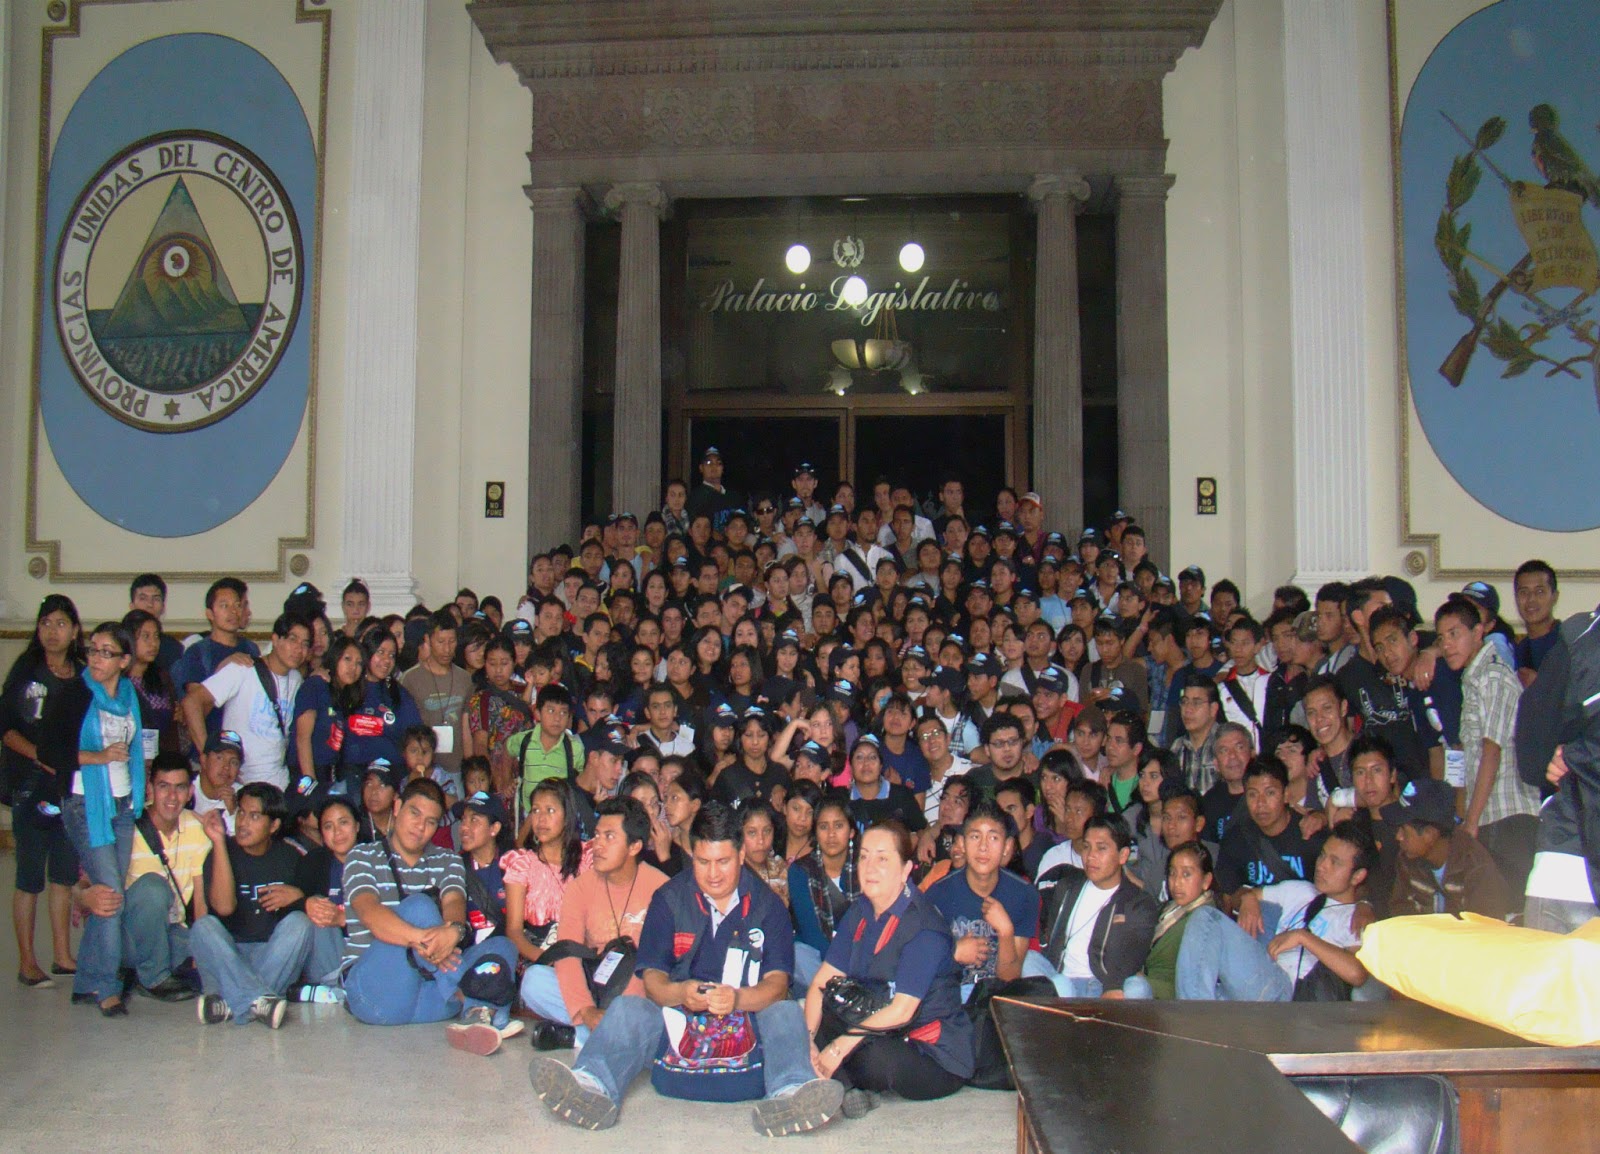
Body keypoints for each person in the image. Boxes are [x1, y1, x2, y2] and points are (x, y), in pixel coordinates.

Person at [529, 803, 844, 1136]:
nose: (713, 874)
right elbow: (652, 979)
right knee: (629, 1007)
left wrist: (736, 999)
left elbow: (777, 983)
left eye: (723, 861)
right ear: (691, 855)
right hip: (677, 1037)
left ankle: (789, 1094)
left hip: (748, 1037)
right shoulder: (668, 900)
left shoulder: (768, 907)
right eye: (702, 862)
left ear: (740, 856)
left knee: (784, 1011)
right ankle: (590, 1085)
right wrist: (680, 993)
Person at [340, 779, 523, 1054]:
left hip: (431, 999)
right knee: (419, 907)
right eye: (414, 813)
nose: (420, 827)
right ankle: (483, 1006)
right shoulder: (362, 856)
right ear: (398, 807)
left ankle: (476, 1019)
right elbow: (370, 913)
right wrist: (423, 940)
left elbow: (454, 901)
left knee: (504, 946)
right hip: (376, 995)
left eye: (431, 821)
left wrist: (454, 932)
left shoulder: (447, 860)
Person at [804, 821, 974, 1116]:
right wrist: (807, 1040)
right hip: (875, 1024)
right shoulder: (860, 911)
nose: (869, 868)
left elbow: (902, 1012)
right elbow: (822, 982)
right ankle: (845, 1090)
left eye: (882, 859)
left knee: (874, 1057)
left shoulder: (923, 927)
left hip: (929, 1051)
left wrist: (839, 1047)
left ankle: (843, 1085)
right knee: (817, 1016)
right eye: (864, 857)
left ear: (906, 869)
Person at [40, 620, 145, 1016]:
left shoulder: (130, 696)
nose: (96, 659)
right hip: (86, 803)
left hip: (121, 804)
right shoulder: (74, 694)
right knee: (110, 895)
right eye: (93, 650)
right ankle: (106, 987)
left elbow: (135, 749)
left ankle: (86, 980)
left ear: (123, 660)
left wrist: (140, 786)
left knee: (107, 893)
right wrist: (97, 758)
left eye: (106, 652)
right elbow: (49, 751)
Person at [521, 796, 669, 1050]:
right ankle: (600, 1034)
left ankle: (577, 1037)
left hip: (637, 992)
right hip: (595, 983)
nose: (597, 845)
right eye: (597, 835)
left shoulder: (663, 889)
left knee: (653, 1005)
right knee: (533, 981)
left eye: (609, 837)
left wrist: (618, 1010)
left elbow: (656, 966)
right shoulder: (580, 887)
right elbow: (567, 954)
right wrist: (586, 1009)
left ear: (634, 846)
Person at [1, 594, 83, 987]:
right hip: (30, 783)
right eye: (45, 623)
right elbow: (6, 727)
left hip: (68, 785)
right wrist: (39, 755)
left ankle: (63, 955)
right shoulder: (26, 672)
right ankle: (27, 961)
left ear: (75, 631)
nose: (52, 631)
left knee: (64, 874)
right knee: (29, 875)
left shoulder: (83, 674)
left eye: (61, 623)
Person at [1436, 596, 1541, 897]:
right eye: (1441, 638)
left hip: (1507, 817)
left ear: (1478, 631)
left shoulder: (1492, 675)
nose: (1446, 645)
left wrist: (1471, 822)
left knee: (1508, 913)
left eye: (1454, 634)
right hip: (1489, 816)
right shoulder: (1473, 679)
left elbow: (1491, 752)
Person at [191, 783, 314, 1028]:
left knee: (301, 924)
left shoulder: (292, 856)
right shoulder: (220, 851)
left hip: (271, 958)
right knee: (203, 927)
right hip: (228, 955)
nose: (243, 822)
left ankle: (232, 1003)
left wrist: (298, 896)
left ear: (274, 825)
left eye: (254, 816)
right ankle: (258, 1001)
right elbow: (223, 908)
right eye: (242, 813)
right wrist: (218, 842)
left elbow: (314, 906)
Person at [1029, 813, 1157, 998]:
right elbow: (1052, 938)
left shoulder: (1137, 902)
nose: (1090, 856)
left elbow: (1134, 953)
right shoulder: (1067, 886)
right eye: (1087, 847)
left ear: (1123, 855)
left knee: (1138, 987)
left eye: (1101, 848)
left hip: (1104, 984)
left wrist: (1113, 985)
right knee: (1030, 960)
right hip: (1062, 979)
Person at [182, 613, 311, 790]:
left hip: (279, 785)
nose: (299, 649)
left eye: (305, 644)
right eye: (293, 640)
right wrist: (208, 756)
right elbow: (192, 702)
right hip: (240, 785)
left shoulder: (296, 679)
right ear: (275, 639)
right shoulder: (243, 669)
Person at [926, 800, 1039, 998]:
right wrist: (955, 952)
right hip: (952, 995)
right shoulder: (938, 894)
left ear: (1007, 846)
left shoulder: (1025, 895)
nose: (983, 847)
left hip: (998, 996)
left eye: (994, 838)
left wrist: (1005, 931)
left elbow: (1010, 978)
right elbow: (921, 964)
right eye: (975, 836)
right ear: (961, 843)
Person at [119, 753, 209, 1001]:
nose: (172, 797)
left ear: (190, 792)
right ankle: (154, 978)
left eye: (180, 788)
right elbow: (85, 885)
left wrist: (204, 952)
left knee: (220, 948)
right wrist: (84, 895)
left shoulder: (197, 828)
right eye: (163, 787)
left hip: (171, 932)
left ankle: (144, 968)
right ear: (149, 789)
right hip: (127, 934)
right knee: (153, 887)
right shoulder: (128, 828)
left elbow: (200, 902)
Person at [1216, 758, 1326, 936]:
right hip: (1256, 928)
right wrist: (1246, 897)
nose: (1260, 803)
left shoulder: (1309, 833)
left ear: (1286, 794)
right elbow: (1229, 895)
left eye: (1270, 793)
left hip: (1304, 928)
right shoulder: (1236, 838)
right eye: (1252, 794)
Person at [1386, 778, 1513, 919]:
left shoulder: (1477, 866)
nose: (1398, 837)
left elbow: (1486, 930)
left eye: (1403, 830)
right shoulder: (1407, 859)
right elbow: (1400, 911)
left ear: (1429, 834)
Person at [504, 778, 590, 973]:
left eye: (550, 810)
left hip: (581, 952)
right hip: (537, 956)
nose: (541, 819)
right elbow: (514, 931)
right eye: (535, 810)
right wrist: (547, 960)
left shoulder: (587, 859)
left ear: (567, 816)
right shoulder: (522, 863)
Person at [293, 794, 362, 997]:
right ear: (322, 834)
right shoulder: (313, 863)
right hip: (328, 956)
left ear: (357, 826)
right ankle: (337, 987)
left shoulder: (377, 859)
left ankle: (332, 991)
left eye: (343, 823)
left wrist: (344, 919)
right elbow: (292, 909)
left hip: (367, 952)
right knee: (317, 911)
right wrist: (305, 903)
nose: (337, 832)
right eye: (328, 827)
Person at [788, 795, 859, 988]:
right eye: (823, 827)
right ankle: (836, 999)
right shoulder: (799, 872)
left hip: (860, 957)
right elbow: (812, 934)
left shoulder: (866, 866)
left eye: (838, 826)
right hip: (818, 959)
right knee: (798, 953)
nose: (831, 835)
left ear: (851, 831)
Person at [401, 609, 473, 781]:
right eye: (441, 642)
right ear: (427, 640)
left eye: (452, 641)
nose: (447, 649)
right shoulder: (410, 679)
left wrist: (470, 767)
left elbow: (467, 727)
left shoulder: (465, 678)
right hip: (423, 769)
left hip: (456, 768)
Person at [292, 635, 364, 788]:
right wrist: (309, 783)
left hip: (330, 774)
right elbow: (302, 738)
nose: (353, 667)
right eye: (347, 659)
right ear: (335, 658)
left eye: (359, 663)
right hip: (306, 772)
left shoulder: (345, 696)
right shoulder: (316, 685)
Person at [842, 734, 926, 831]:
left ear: (881, 765)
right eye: (859, 757)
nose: (866, 763)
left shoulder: (902, 796)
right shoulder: (841, 799)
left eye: (873, 757)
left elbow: (922, 831)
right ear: (851, 766)